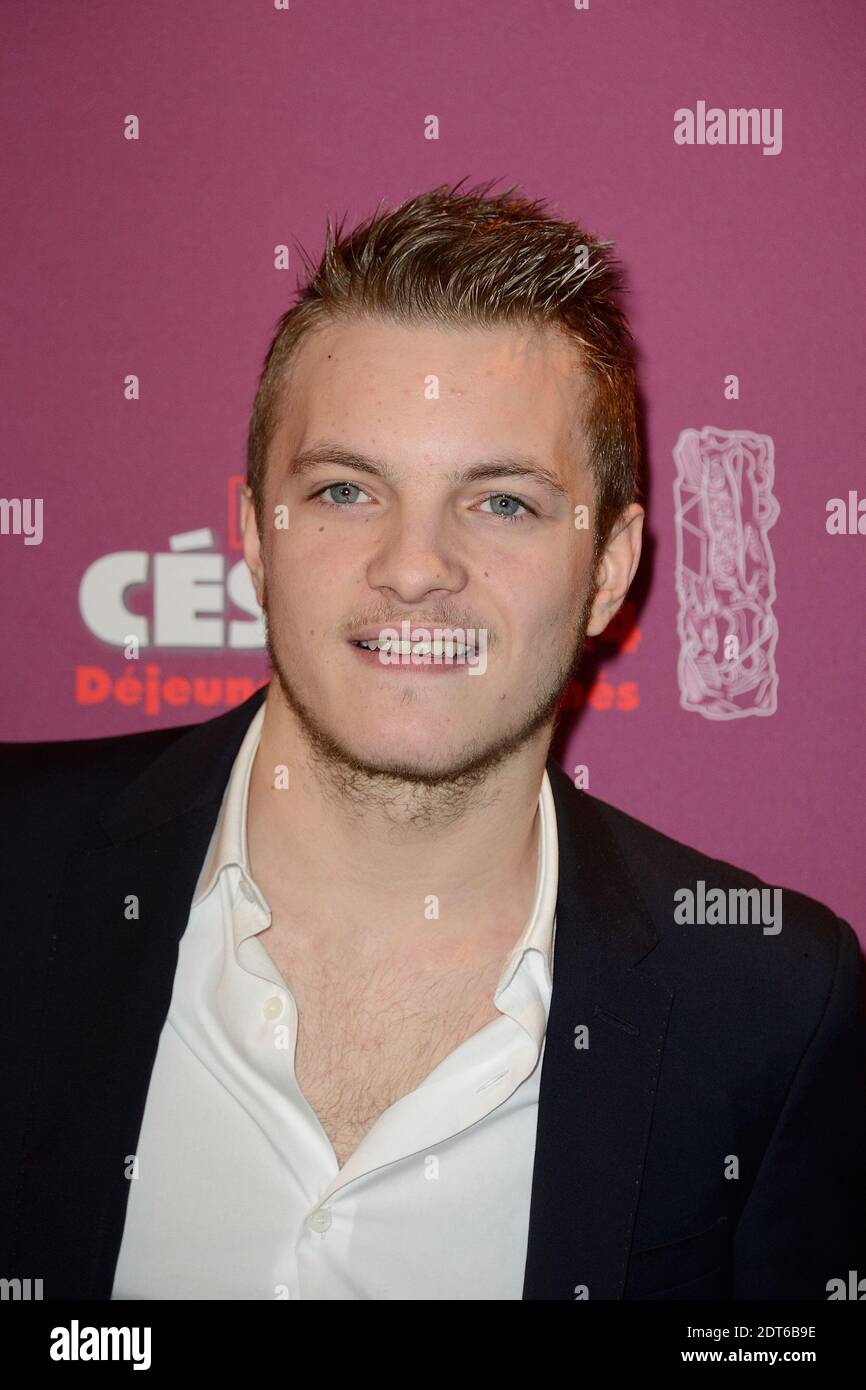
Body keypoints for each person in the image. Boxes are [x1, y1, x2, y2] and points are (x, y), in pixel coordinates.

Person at [1, 180, 864, 1301]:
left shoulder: (768, 1006)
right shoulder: (17, 873)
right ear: (253, 538)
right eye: (347, 489)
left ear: (607, 565)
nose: (413, 566)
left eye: (500, 502)